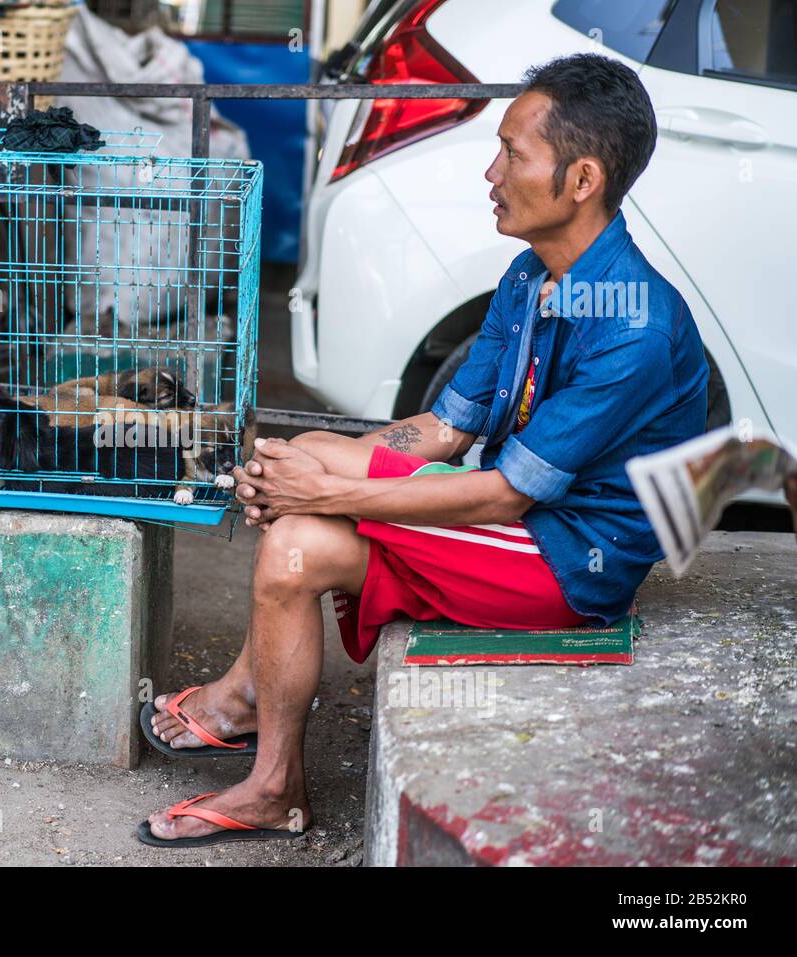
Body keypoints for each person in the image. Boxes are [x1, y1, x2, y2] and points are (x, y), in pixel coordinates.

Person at [138, 53, 709, 846]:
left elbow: (507, 493)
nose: (491, 171)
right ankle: (265, 761)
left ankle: (261, 759)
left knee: (302, 534)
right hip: (517, 523)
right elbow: (446, 429)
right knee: (302, 475)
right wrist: (304, 469)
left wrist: (322, 494)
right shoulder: (529, 275)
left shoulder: (634, 326)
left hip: (566, 560)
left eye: (513, 152)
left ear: (581, 180)